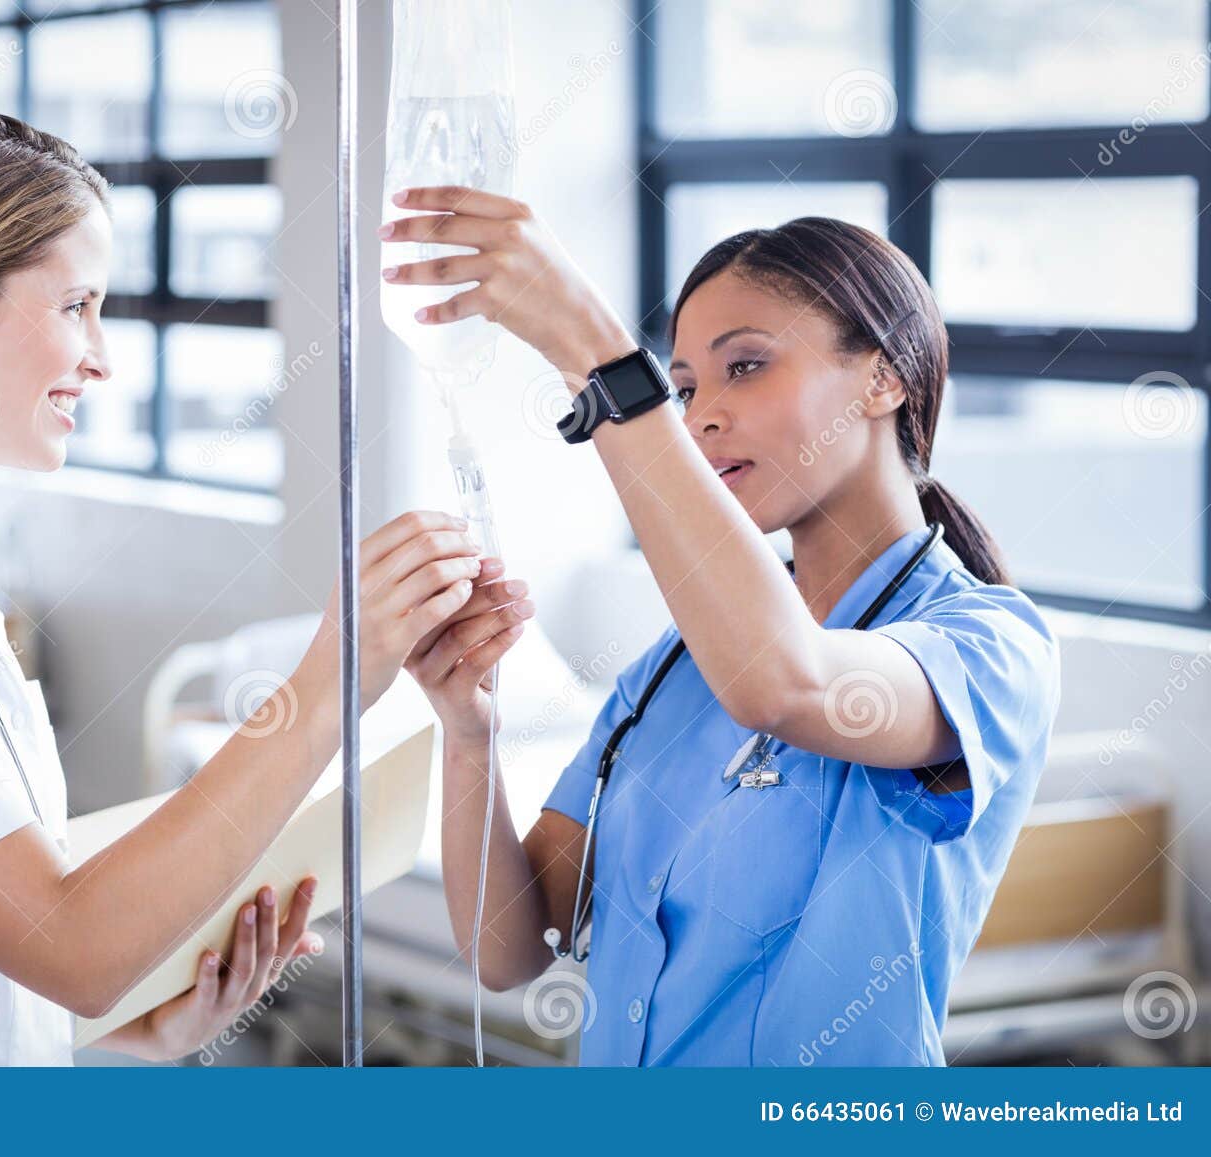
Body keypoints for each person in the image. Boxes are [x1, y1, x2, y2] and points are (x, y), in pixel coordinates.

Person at [0, 112, 494, 1066]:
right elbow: (67, 943)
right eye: (76, 307)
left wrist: (146, 1035)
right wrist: (332, 681)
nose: (102, 355)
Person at [391, 190, 1061, 1065]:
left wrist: (603, 358)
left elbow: (787, 683)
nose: (700, 415)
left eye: (746, 365)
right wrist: (469, 732)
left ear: (883, 377)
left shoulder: (991, 645)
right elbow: (508, 951)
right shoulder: (676, 666)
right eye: (683, 387)